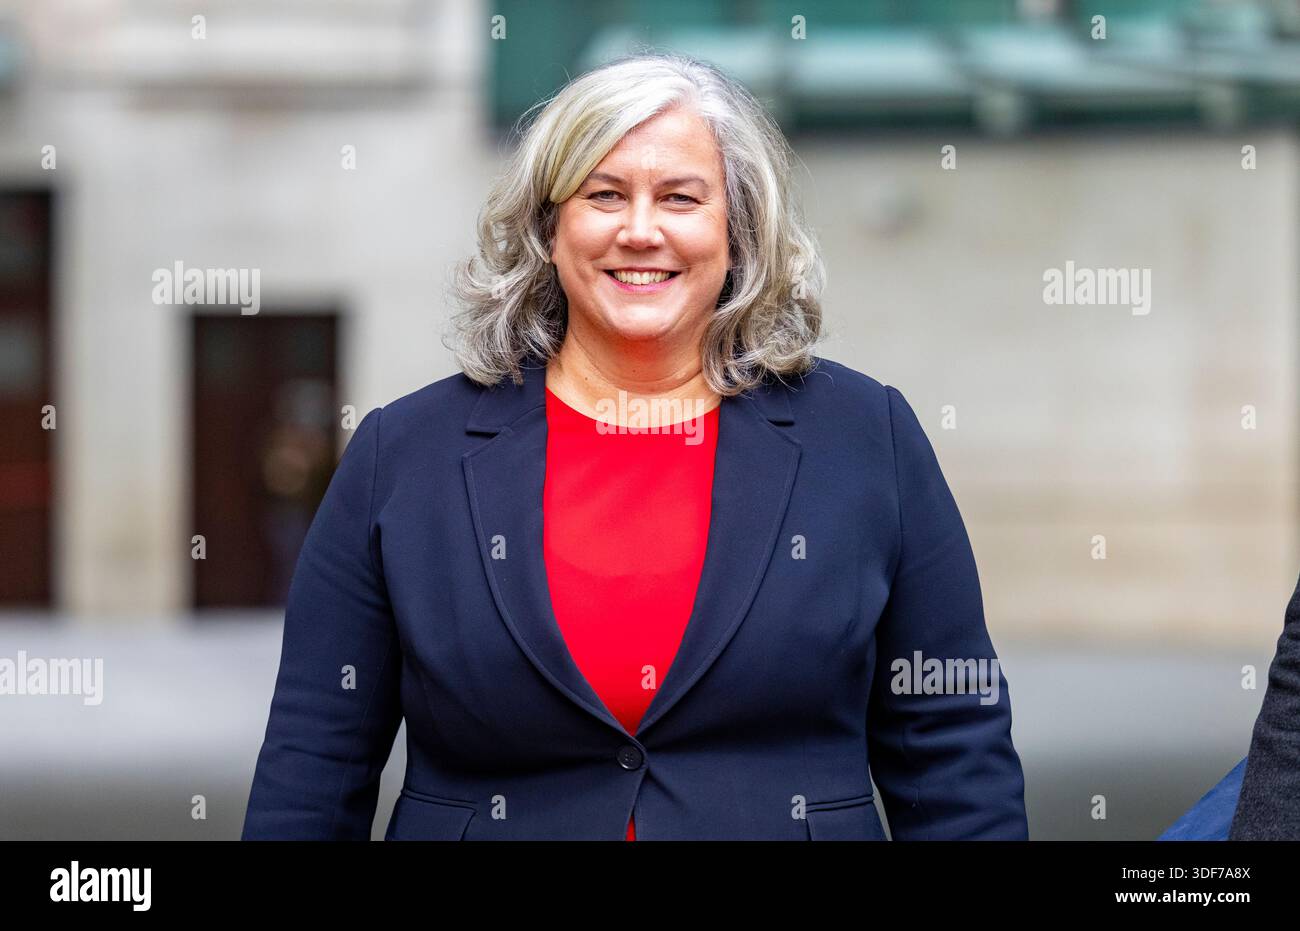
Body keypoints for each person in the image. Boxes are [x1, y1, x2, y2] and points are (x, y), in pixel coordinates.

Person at [240, 50, 1028, 841]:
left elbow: (954, 752)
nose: (640, 230)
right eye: (604, 195)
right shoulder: (402, 457)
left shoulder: (865, 440)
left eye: (681, 197)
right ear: (551, 228)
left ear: (737, 230)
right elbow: (312, 766)